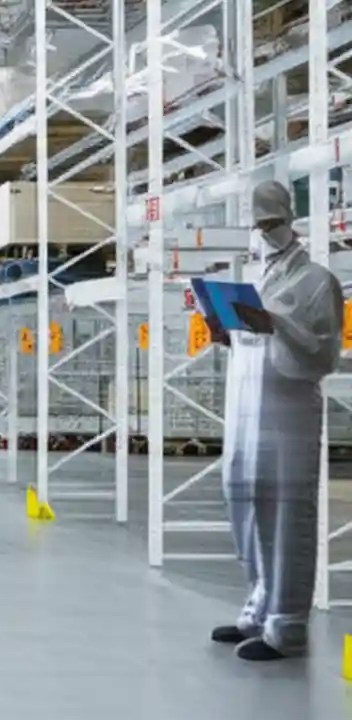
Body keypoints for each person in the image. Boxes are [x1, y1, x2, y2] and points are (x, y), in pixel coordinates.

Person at [210, 180, 345, 661]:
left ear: (289, 220)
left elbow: (324, 353)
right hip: (247, 414)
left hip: (288, 418)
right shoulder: (256, 278)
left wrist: (278, 324)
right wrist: (227, 332)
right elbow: (255, 342)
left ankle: (287, 625)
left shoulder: (316, 282)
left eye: (270, 223)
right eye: (258, 224)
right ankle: (257, 608)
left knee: (288, 515)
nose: (264, 232)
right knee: (245, 504)